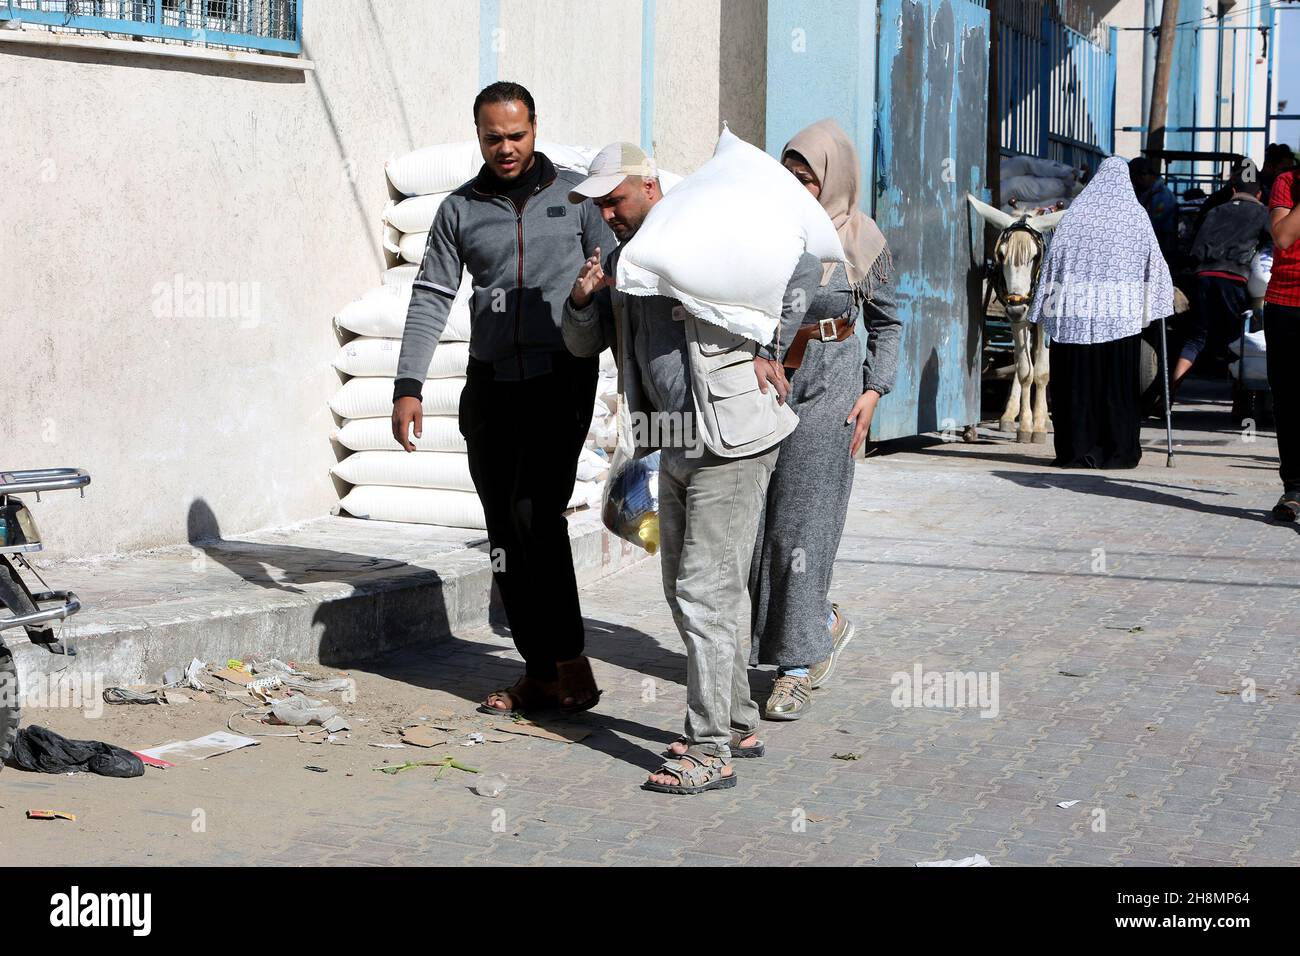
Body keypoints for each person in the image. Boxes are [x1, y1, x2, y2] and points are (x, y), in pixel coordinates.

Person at [561, 142, 822, 794]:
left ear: (649, 186)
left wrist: (770, 343)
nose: (609, 216)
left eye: (615, 201)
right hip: (672, 442)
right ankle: (734, 720)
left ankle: (710, 752)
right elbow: (584, 345)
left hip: (731, 443)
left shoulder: (709, 230)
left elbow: (810, 267)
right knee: (693, 593)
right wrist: (584, 301)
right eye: (599, 207)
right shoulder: (624, 263)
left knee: (705, 595)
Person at [392, 82, 616, 715]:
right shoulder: (460, 210)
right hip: (491, 385)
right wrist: (408, 383)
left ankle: (571, 658)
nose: (507, 148)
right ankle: (539, 669)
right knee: (500, 526)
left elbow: (620, 284)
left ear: (536, 129)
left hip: (561, 378)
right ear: (479, 137)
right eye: (494, 138)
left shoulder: (576, 198)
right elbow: (432, 294)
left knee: (533, 515)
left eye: (516, 136)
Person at [744, 118, 902, 721]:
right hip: (768, 388)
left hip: (832, 391)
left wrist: (874, 391)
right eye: (789, 176)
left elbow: (887, 323)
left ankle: (795, 670)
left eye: (808, 180)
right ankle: (816, 623)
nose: (797, 188)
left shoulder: (863, 240)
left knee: (803, 529)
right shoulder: (768, 232)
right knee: (757, 525)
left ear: (833, 180)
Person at [1028, 155, 1175, 469]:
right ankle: (1116, 450)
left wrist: (1047, 311)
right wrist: (1159, 302)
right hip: (1119, 320)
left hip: (1073, 320)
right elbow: (1156, 266)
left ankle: (1074, 449)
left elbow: (1053, 266)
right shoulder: (1136, 216)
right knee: (1115, 387)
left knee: (1075, 388)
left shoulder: (1073, 216)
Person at [1173, 159, 1271, 395]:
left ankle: (1169, 394)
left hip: (1203, 277)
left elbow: (1193, 248)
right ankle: (1241, 400)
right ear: (1259, 193)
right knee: (1238, 340)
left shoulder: (1214, 210)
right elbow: (1272, 246)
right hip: (1234, 279)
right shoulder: (1262, 213)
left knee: (1196, 337)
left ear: (1234, 190)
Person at [1264, 163, 1300, 521]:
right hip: (1286, 305)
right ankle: (1295, 488)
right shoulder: (1288, 182)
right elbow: (1284, 237)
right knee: (1288, 401)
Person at [1130, 157, 1178, 263]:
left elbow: (1155, 222)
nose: (1136, 181)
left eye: (1137, 177)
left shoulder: (1162, 196)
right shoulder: (1146, 192)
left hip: (1161, 244)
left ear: (1146, 175)